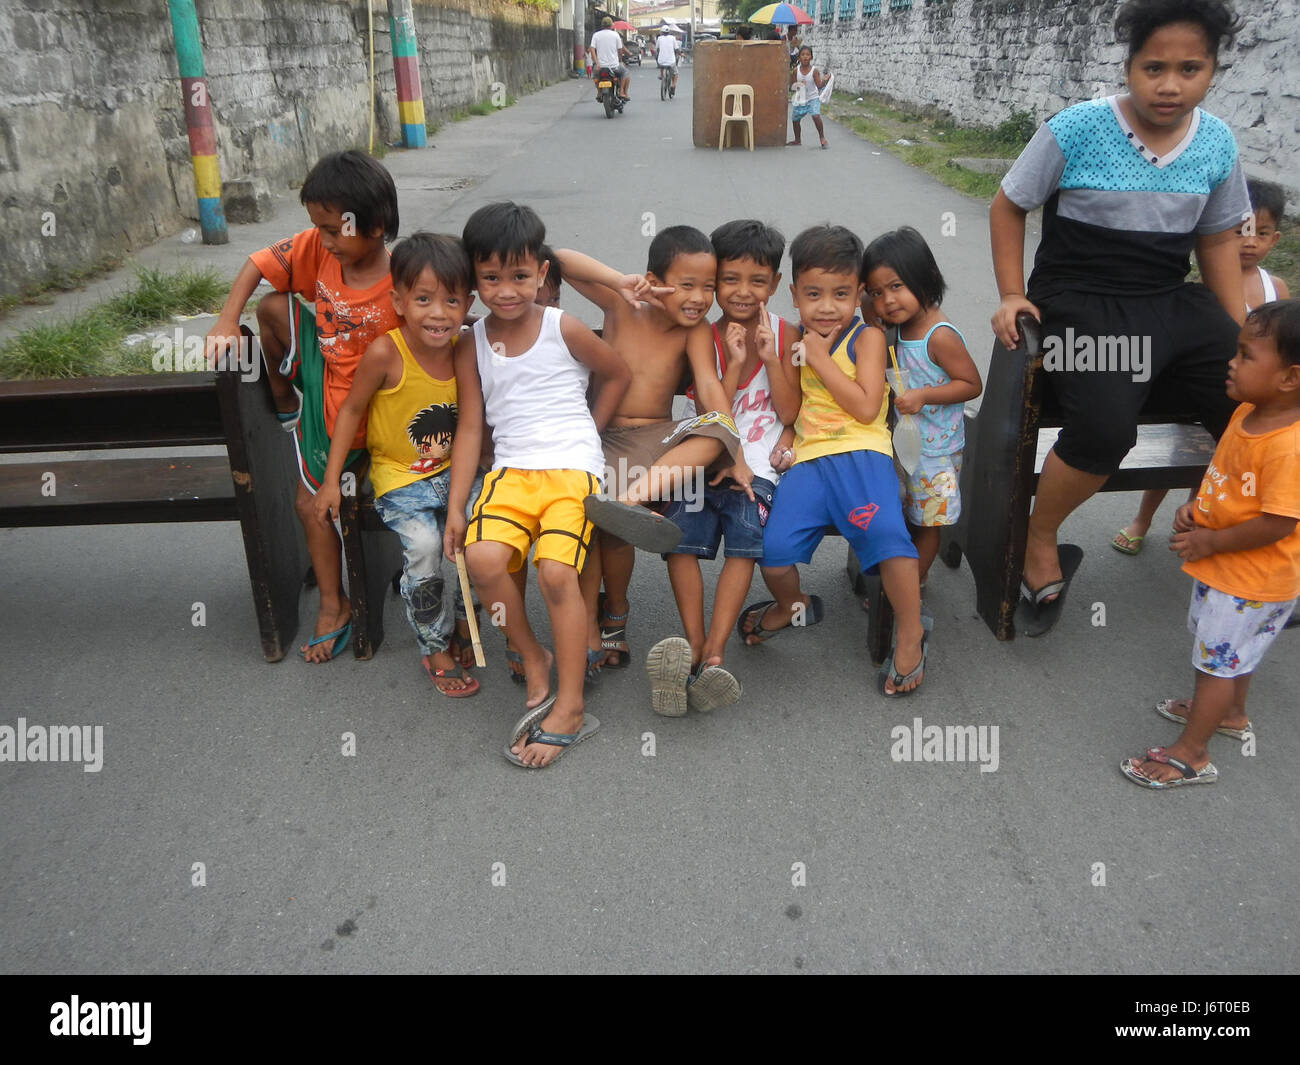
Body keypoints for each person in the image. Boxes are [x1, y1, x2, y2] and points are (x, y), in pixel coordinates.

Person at [990, 0, 1250, 637]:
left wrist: (1247, 334)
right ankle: (1039, 534)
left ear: (1213, 69)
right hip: (1079, 301)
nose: (1169, 84)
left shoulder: (1216, 141)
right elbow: (1007, 205)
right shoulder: (1076, 128)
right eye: (1153, 67)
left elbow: (1217, 242)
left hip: (1167, 296)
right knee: (1107, 426)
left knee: (1256, 398)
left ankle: (1245, 531)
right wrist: (1009, 293)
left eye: (1190, 68)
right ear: (1128, 65)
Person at [445, 202, 631, 769]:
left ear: (542, 276)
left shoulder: (562, 327)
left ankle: (571, 706)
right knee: (481, 559)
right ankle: (533, 654)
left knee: (556, 572)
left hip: (572, 468)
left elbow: (617, 371)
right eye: (492, 278)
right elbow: (472, 425)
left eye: (520, 276)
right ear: (474, 282)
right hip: (511, 472)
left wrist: (589, 432)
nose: (507, 291)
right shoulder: (470, 341)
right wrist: (458, 507)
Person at [205, 150, 400, 662]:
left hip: (374, 401)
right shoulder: (321, 249)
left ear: (376, 226)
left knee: (332, 502)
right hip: (328, 380)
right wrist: (228, 321)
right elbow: (256, 265)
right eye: (319, 228)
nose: (326, 241)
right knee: (272, 306)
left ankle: (354, 590)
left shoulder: (405, 281)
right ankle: (333, 604)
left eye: (335, 230)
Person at [738, 225, 928, 696]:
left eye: (841, 294)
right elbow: (790, 408)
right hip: (809, 462)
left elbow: (867, 407)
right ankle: (791, 605)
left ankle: (910, 633)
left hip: (863, 454)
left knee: (887, 534)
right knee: (775, 552)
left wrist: (819, 358)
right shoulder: (795, 339)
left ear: (858, 293)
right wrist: (772, 359)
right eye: (814, 294)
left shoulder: (867, 340)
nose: (827, 306)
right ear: (795, 295)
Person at [1121, 300, 1300, 788]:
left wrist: (1213, 540)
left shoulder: (1289, 447)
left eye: (1245, 355)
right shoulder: (1247, 412)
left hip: (1252, 580)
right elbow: (1224, 471)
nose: (1231, 362)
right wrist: (1198, 506)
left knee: (1215, 666)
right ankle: (1229, 714)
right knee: (1229, 654)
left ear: (1289, 378)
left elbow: (1278, 524)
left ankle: (1191, 753)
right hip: (1228, 568)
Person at [556, 230, 746, 670]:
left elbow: (709, 388)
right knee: (592, 531)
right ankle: (591, 628)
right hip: (597, 435)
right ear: (652, 281)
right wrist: (618, 280)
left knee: (716, 428)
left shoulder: (693, 331)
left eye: (708, 287)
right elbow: (560, 257)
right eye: (686, 285)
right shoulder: (623, 304)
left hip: (653, 439)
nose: (700, 298)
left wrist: (734, 450)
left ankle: (625, 518)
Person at [312, 233, 480, 696]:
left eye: (451, 300)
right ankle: (433, 642)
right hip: (399, 478)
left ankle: (469, 622)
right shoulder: (387, 352)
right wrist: (331, 482)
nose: (438, 313)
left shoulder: (465, 346)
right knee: (426, 546)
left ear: (467, 303)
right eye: (423, 299)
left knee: (487, 533)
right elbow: (350, 411)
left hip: (455, 471)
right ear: (399, 301)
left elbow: (468, 426)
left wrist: (460, 504)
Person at [647, 220, 800, 716]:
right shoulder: (701, 335)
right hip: (704, 452)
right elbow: (715, 409)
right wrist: (734, 363)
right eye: (729, 279)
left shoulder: (786, 334)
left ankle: (714, 654)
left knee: (744, 542)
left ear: (775, 284)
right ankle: (691, 647)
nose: (742, 291)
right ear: (715, 280)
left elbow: (790, 411)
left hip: (756, 469)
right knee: (680, 539)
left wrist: (769, 358)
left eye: (757, 281)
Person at [1113, 178, 1291, 556]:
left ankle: (1205, 525)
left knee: (1217, 470)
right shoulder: (1203, 285)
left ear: (1274, 239)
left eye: (1261, 233)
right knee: (1171, 462)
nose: (1250, 242)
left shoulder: (1276, 289)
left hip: (1253, 405)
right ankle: (1142, 520)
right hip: (1205, 394)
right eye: (1241, 231)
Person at [862, 227, 982, 586]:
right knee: (903, 513)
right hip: (905, 444)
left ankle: (912, 585)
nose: (887, 301)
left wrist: (924, 395)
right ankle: (897, 576)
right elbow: (869, 310)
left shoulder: (938, 335)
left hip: (936, 453)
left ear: (926, 277)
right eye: (878, 292)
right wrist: (867, 297)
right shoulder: (898, 324)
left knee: (927, 522)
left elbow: (971, 384)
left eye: (896, 286)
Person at [789, 45, 828, 149]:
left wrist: (825, 80)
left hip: (813, 98)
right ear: (798, 57)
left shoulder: (814, 71)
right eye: (802, 55)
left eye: (807, 55)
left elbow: (819, 85)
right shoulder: (796, 71)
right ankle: (797, 140)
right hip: (801, 98)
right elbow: (792, 86)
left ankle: (822, 138)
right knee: (795, 119)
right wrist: (798, 85)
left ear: (811, 57)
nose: (805, 57)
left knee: (815, 115)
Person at [589, 16, 630, 102]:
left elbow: (592, 49)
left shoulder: (596, 35)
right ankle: (622, 91)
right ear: (611, 25)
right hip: (614, 67)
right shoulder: (616, 35)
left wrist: (597, 63)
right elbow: (620, 50)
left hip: (601, 67)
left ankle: (599, 92)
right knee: (625, 72)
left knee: (595, 76)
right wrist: (620, 61)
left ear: (602, 25)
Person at [655, 26, 680, 97]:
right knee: (675, 73)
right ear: (669, 32)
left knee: (660, 62)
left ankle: (661, 75)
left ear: (661, 32)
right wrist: (681, 54)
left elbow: (657, 49)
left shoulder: (659, 38)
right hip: (671, 61)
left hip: (661, 61)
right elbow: (677, 49)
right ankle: (673, 85)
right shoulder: (672, 38)